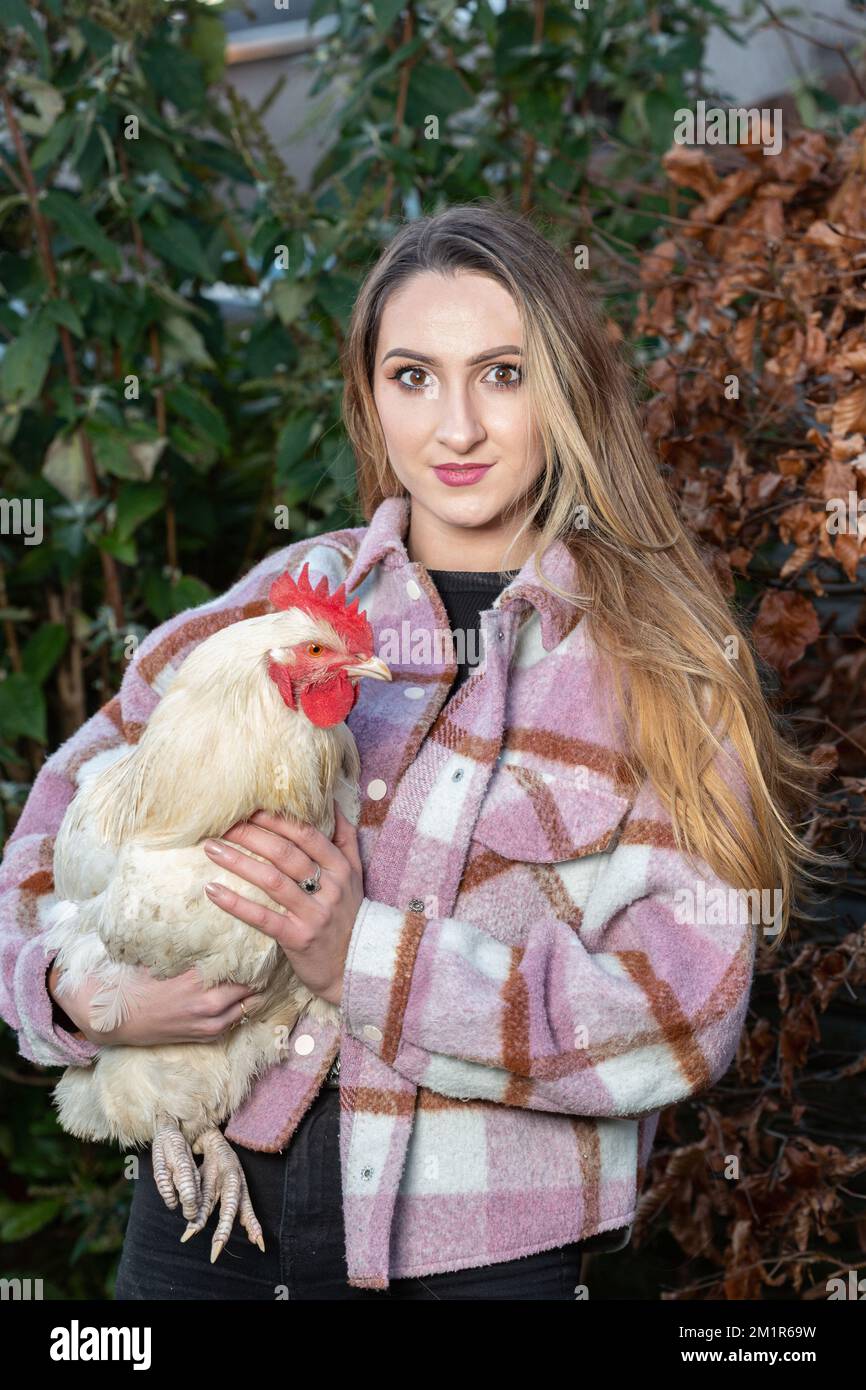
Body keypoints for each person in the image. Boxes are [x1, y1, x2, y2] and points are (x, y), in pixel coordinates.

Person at [0, 202, 819, 1301]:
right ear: (368, 394)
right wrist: (74, 995)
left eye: (501, 373)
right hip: (208, 1210)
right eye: (413, 376)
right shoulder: (274, 611)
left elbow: (682, 1012)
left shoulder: (660, 664)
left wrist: (366, 961)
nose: (457, 428)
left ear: (567, 388)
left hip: (481, 1245)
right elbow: (55, 831)